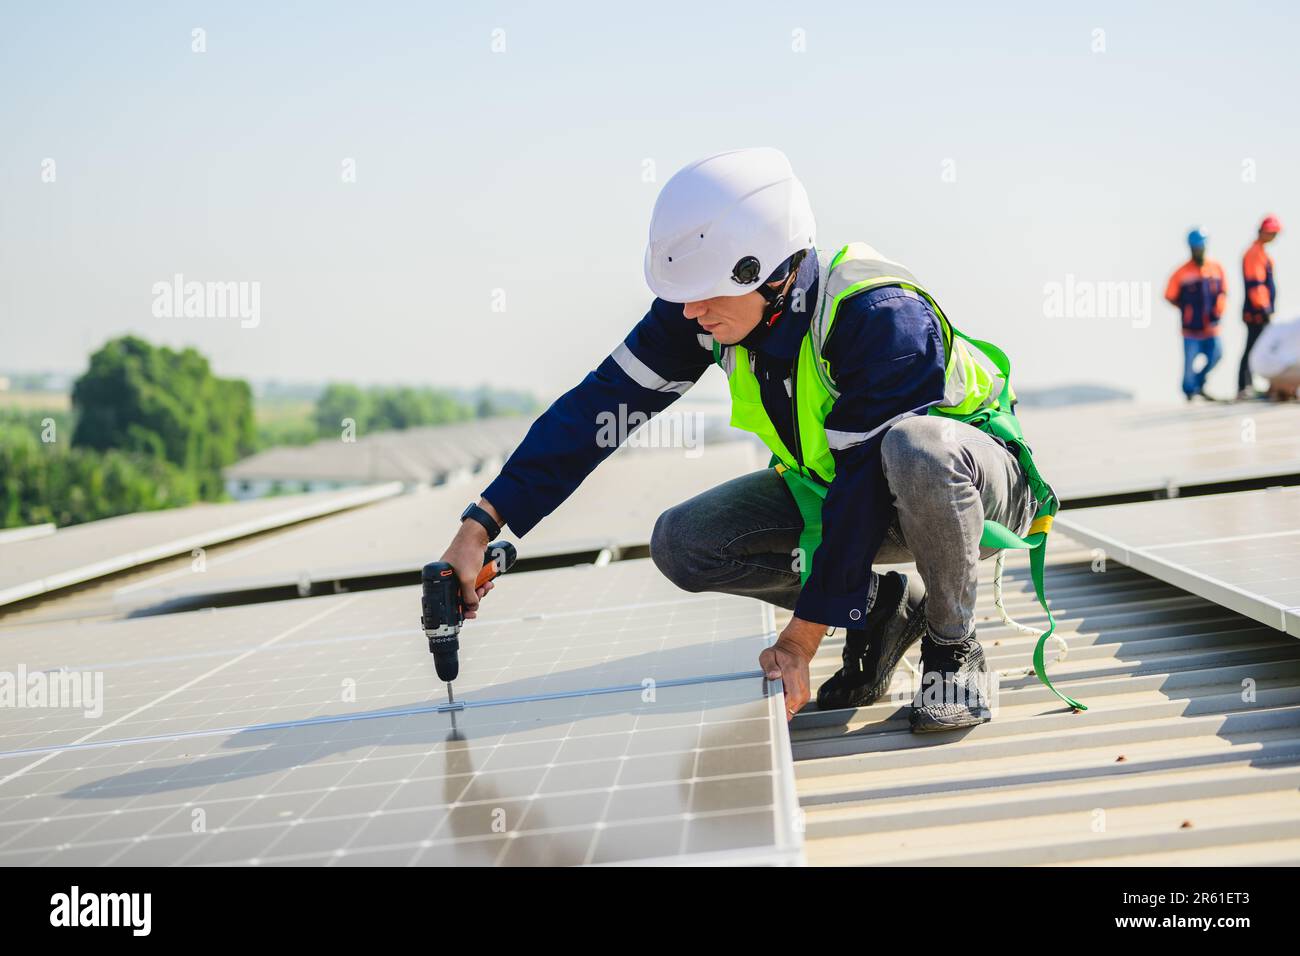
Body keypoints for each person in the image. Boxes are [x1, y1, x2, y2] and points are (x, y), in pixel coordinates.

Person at [439, 148, 1051, 731]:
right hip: (844, 492)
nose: (687, 311)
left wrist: (801, 636)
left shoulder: (877, 315)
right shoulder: (707, 313)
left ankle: (953, 646)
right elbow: (596, 412)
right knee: (684, 542)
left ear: (768, 272)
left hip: (967, 491)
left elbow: (867, 487)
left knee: (916, 448)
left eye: (703, 291)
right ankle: (882, 610)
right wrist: (480, 527)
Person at [1165, 228, 1227, 401]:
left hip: (1211, 326)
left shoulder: (1216, 268)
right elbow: (1169, 295)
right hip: (1191, 328)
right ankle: (1189, 391)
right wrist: (1187, 309)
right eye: (1196, 248)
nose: (1199, 251)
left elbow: (1223, 292)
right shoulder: (1181, 273)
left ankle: (1198, 383)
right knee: (1189, 364)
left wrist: (1218, 311)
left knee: (1217, 355)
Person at [1238, 214, 1283, 399]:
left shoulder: (1261, 253)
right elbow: (1256, 283)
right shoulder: (1255, 254)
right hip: (1256, 312)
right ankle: (1244, 386)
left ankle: (1251, 385)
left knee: (1257, 348)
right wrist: (1263, 308)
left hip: (1260, 311)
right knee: (1255, 349)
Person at [1248, 316, 1300, 400]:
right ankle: (1282, 389)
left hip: (1257, 365)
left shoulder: (1283, 323)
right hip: (1272, 367)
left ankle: (1281, 389)